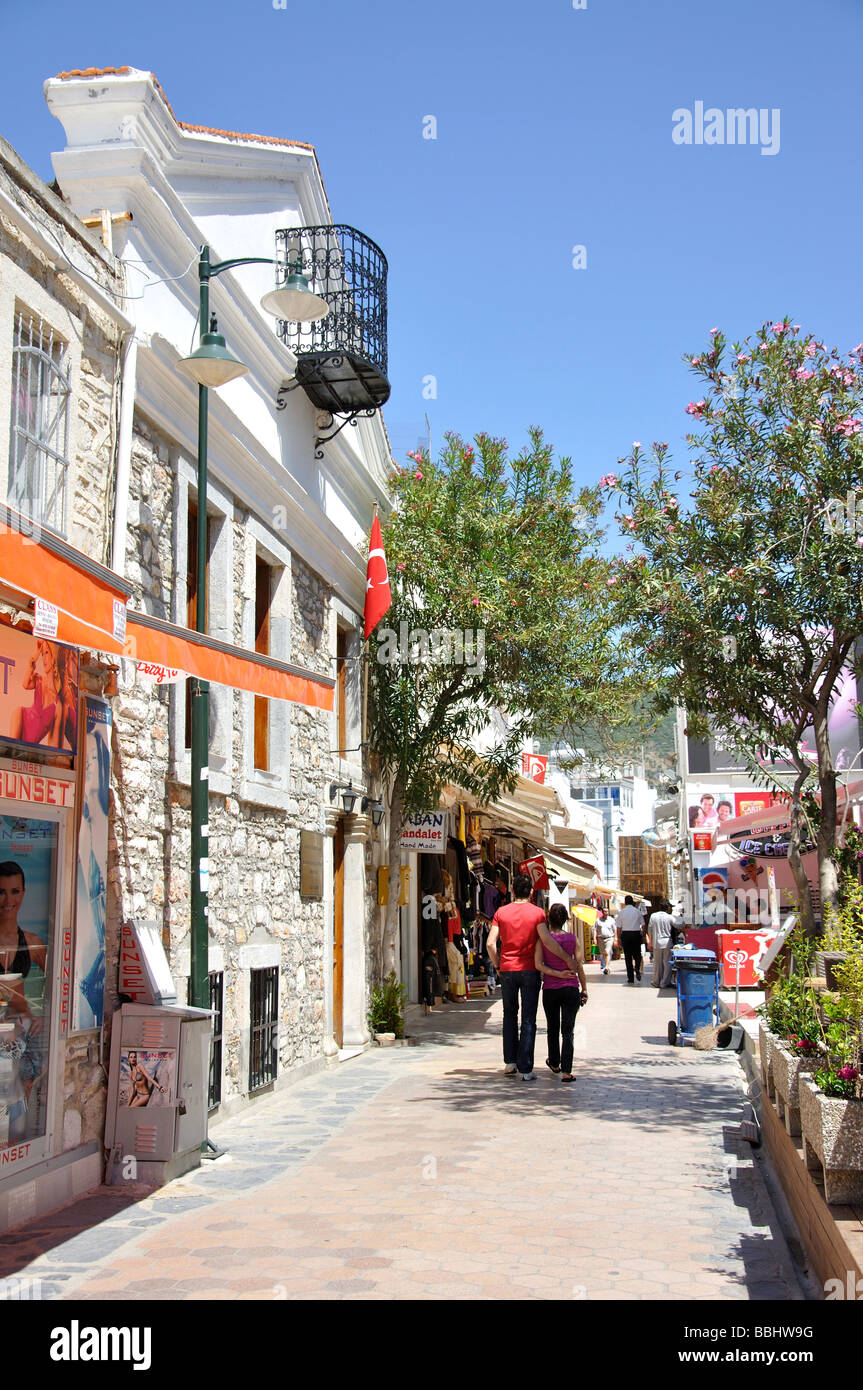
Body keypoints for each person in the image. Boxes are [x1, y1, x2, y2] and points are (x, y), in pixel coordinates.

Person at [486, 873, 578, 1081]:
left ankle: (510, 1062)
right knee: (528, 1018)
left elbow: (491, 943)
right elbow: (547, 940)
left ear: (512, 891)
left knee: (509, 1014)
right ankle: (526, 1068)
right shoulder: (537, 914)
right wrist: (567, 958)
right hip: (529, 971)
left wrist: (498, 964)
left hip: (507, 969)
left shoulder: (501, 912)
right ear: (530, 892)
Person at [536, 903, 587, 1083]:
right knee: (568, 1031)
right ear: (566, 920)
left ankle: (554, 1063)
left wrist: (556, 973)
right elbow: (578, 966)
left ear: (548, 919)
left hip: (550, 989)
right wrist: (585, 989)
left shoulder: (543, 940)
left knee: (552, 1028)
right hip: (570, 988)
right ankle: (566, 1072)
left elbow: (538, 964)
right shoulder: (574, 940)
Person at [10, 640, 62, 747]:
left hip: (32, 748)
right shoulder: (38, 680)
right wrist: (36, 653)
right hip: (21, 717)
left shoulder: (58, 705)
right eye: (42, 655)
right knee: (11, 751)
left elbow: (54, 744)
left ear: (54, 657)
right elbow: (25, 684)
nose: (44, 659)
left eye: (46, 653)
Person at [648, 898, 682, 989]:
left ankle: (656, 982)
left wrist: (650, 942)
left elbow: (649, 930)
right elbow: (678, 925)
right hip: (667, 942)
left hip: (656, 942)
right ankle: (664, 982)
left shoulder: (653, 916)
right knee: (667, 963)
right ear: (667, 908)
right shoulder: (669, 917)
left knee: (657, 963)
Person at [615, 894, 646, 984]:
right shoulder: (637, 912)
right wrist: (643, 936)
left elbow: (618, 927)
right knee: (637, 954)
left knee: (627, 956)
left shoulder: (621, 912)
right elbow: (643, 925)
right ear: (632, 902)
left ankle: (630, 977)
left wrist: (618, 938)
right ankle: (637, 967)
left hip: (626, 934)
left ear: (625, 903)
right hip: (636, 934)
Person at [594, 909, 615, 975]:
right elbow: (595, 930)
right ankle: (607, 965)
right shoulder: (598, 920)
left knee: (607, 952)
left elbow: (615, 929)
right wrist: (595, 938)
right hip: (600, 938)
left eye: (607, 911)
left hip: (609, 938)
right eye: (605, 911)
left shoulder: (611, 920)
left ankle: (606, 967)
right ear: (602, 912)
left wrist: (616, 938)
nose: (606, 913)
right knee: (603, 953)